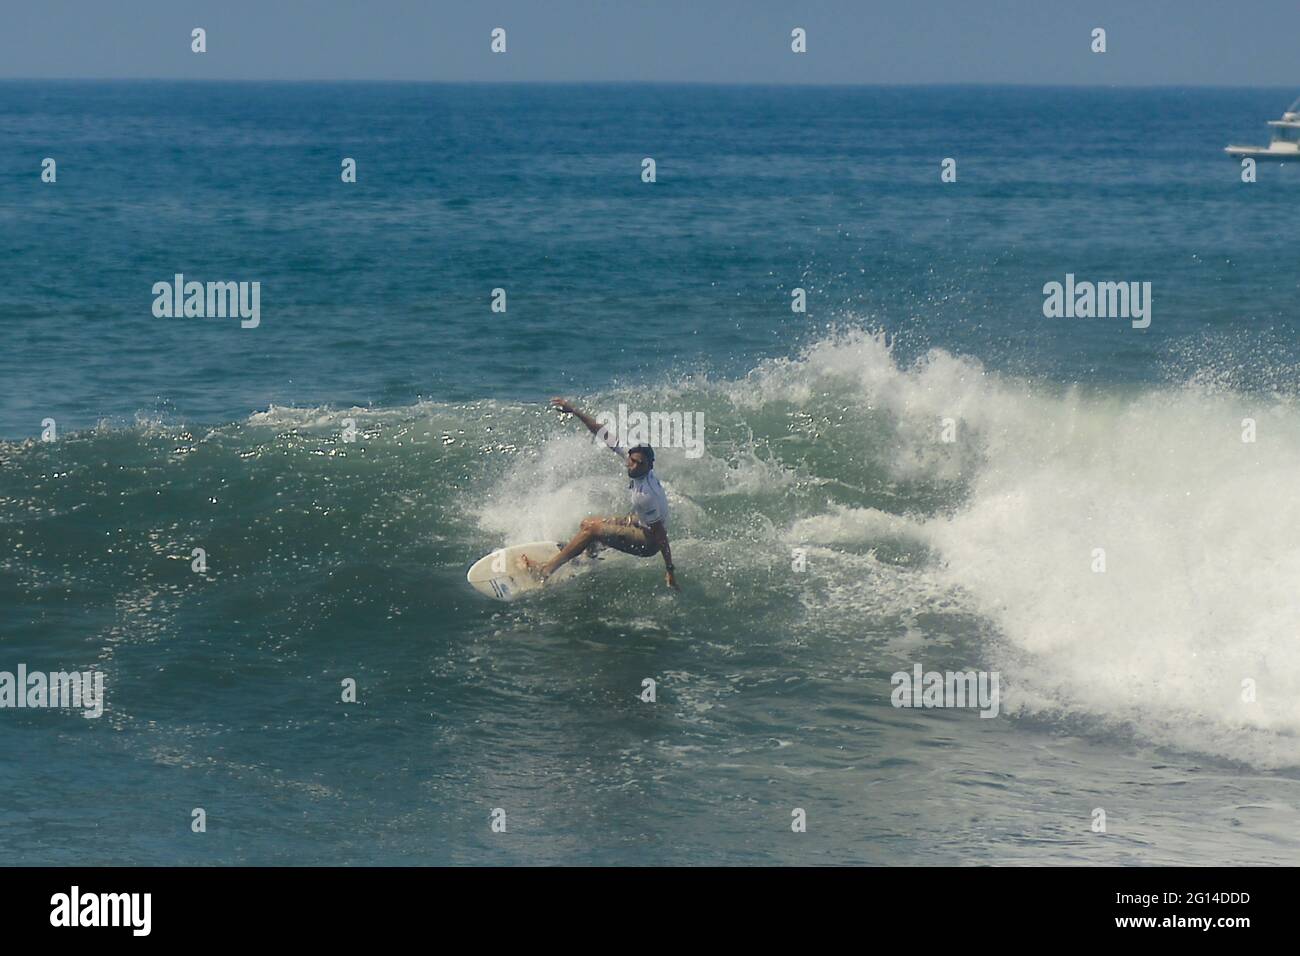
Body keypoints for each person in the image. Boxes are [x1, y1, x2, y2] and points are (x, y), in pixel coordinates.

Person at [521, 397, 679, 590]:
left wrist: (669, 569)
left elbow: (660, 537)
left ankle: (544, 572)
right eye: (633, 461)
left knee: (591, 530)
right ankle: (589, 555)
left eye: (640, 464)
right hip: (640, 521)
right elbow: (600, 431)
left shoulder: (646, 495)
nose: (634, 466)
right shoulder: (630, 457)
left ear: (649, 466)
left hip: (648, 542)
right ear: (629, 456)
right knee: (587, 524)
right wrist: (574, 410)